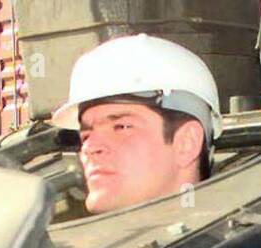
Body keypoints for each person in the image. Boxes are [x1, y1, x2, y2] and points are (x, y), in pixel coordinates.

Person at [51, 34, 223, 215]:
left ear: (187, 143)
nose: (89, 149)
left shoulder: (246, 240)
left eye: (121, 127)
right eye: (85, 137)